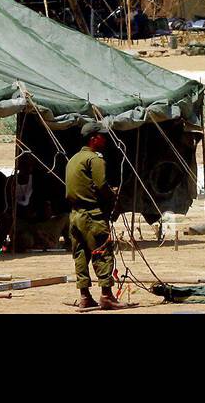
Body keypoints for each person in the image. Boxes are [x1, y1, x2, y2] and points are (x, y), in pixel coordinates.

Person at [65, 122, 126, 310]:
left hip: (75, 216)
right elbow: (101, 185)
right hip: (93, 216)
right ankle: (107, 296)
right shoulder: (95, 159)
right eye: (101, 136)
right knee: (102, 253)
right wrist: (113, 194)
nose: (104, 139)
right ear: (93, 139)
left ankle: (85, 296)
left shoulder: (73, 159)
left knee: (81, 255)